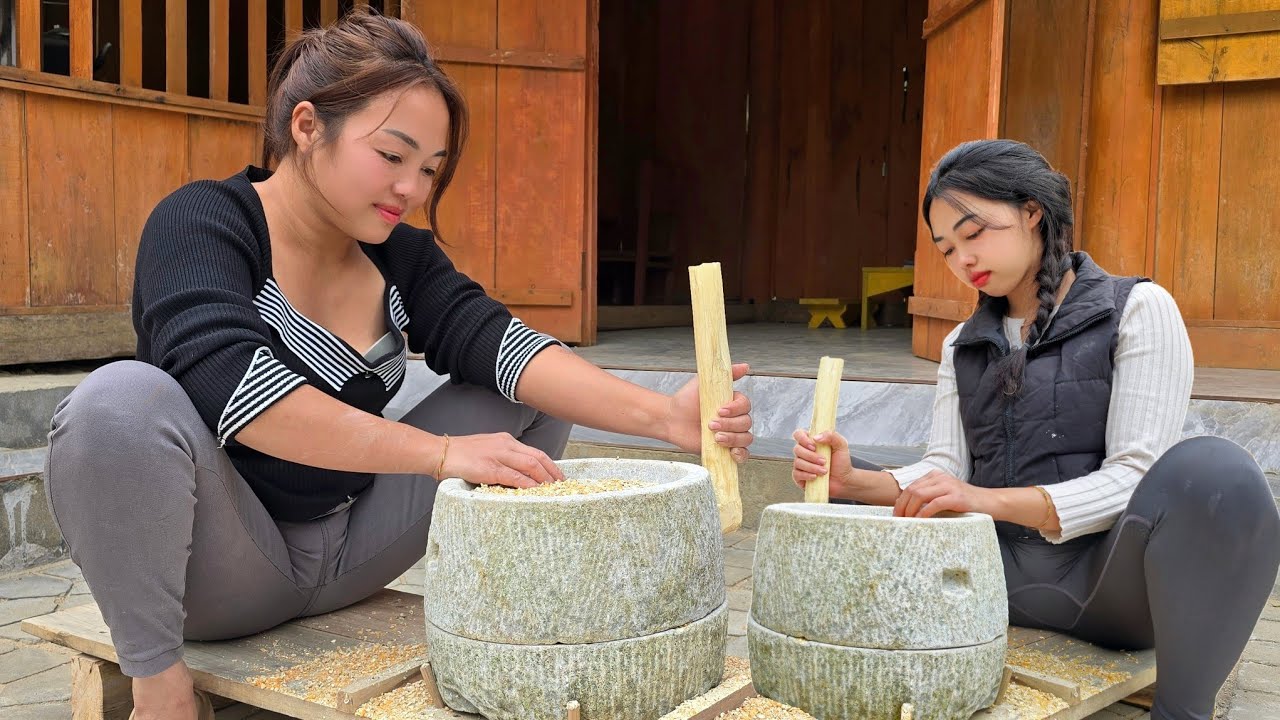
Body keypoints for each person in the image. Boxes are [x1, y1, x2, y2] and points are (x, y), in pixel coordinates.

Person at [43, 10, 754, 720]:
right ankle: (162, 691)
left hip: (354, 552)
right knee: (116, 404)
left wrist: (664, 416)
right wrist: (439, 452)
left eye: (428, 170)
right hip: (223, 573)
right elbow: (240, 393)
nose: (411, 188)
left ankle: (498, 626)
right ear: (306, 126)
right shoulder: (202, 223)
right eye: (392, 156)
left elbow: (497, 341)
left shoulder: (397, 255)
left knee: (524, 393)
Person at [791, 139, 1280, 720]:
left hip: (1112, 593)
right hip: (993, 587)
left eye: (974, 233)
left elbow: (1133, 476)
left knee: (1216, 474)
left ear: (1032, 212)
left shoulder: (1137, 308)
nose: (962, 260)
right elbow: (946, 469)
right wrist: (854, 481)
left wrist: (985, 499)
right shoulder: (961, 344)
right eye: (947, 249)